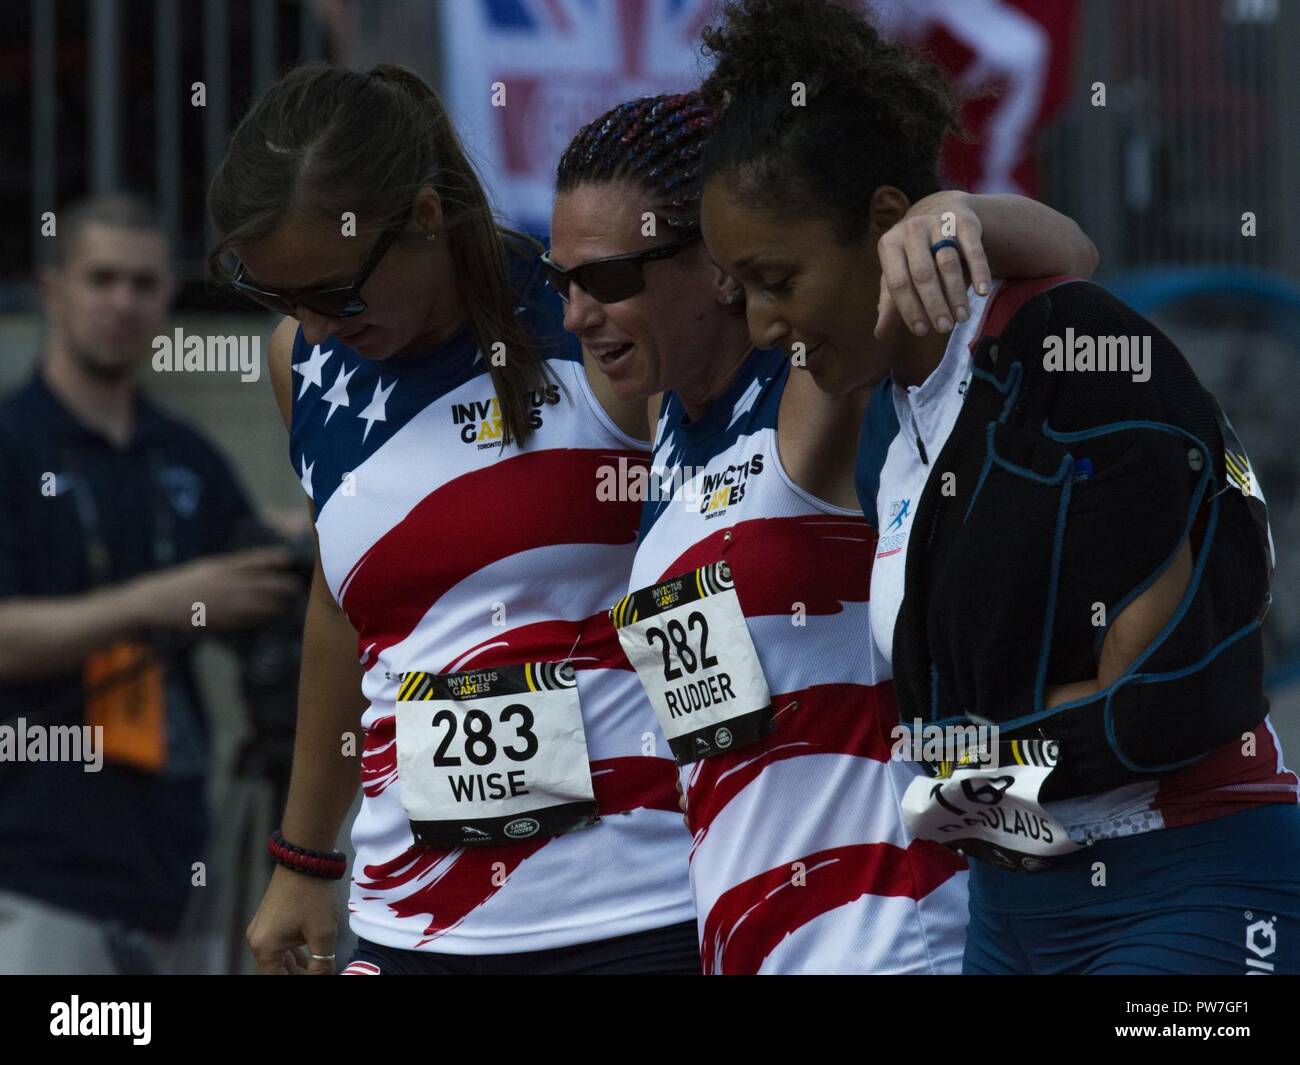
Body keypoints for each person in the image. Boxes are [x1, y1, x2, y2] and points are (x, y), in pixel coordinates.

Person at [696, 0, 1300, 974]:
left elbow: (1153, 703)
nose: (764, 323)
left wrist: (949, 739)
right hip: (1011, 914)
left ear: (889, 226)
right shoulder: (899, 421)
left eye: (779, 278)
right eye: (741, 291)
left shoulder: (1069, 353)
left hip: (1186, 887)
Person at [548, 90, 1097, 972]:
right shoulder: (667, 420)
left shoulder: (817, 381)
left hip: (898, 941)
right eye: (560, 281)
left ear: (715, 261)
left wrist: (947, 213)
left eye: (610, 280)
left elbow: (1069, 250)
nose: (577, 313)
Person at [210, 63, 699, 976]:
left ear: (425, 219)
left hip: (634, 908)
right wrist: (307, 857)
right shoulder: (301, 363)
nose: (314, 328)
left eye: (335, 294)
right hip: (413, 920)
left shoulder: (592, 320)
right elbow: (340, 603)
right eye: (282, 300)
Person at [0, 192, 301, 975]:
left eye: (143, 283)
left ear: (168, 296)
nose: (123, 303)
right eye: (101, 279)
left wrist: (296, 545)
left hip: (177, 860)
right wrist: (160, 599)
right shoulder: (9, 443)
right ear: (53, 288)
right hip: (33, 867)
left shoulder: (186, 455)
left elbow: (252, 584)